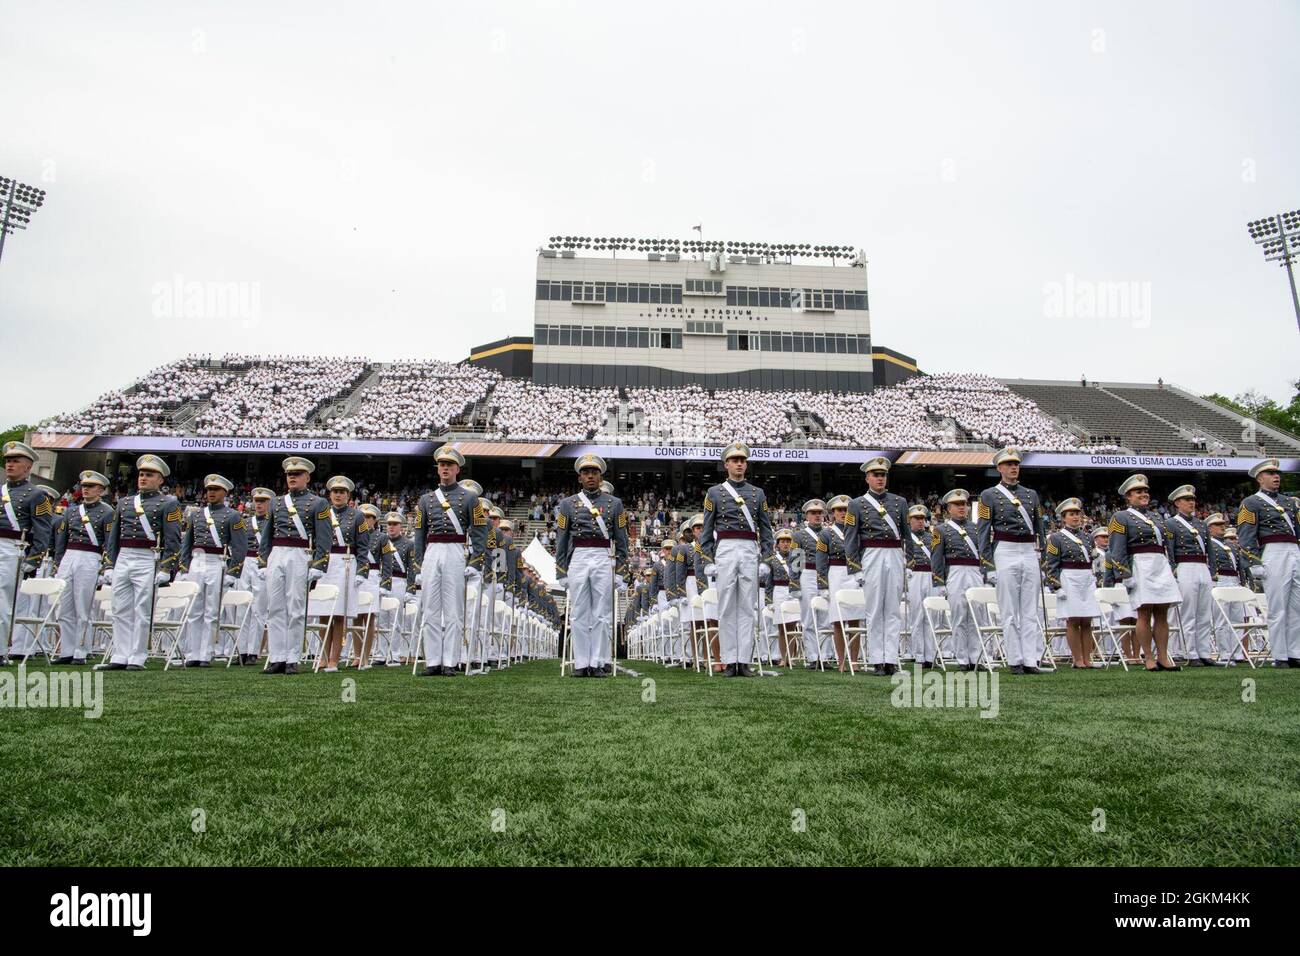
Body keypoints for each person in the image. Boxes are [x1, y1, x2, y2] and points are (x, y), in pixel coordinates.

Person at [97, 454, 181, 671]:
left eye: (149, 474)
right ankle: (119, 654)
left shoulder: (168, 503)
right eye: (142, 474)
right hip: (124, 556)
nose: (143, 478)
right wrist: (109, 564)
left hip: (147, 557)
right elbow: (113, 537)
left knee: (142, 608)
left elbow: (172, 538)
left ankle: (137, 655)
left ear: (160, 479)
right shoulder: (124, 502)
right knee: (119, 607)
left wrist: (166, 566)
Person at [698, 441, 774, 677]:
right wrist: (707, 559)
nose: (739, 464)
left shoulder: (757, 493)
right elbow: (707, 529)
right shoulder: (714, 493)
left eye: (743, 460)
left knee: (748, 607)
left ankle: (744, 660)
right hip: (726, 548)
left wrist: (767, 559)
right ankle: (730, 660)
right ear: (726, 465)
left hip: (750, 547)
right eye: (735, 460)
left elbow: (766, 529)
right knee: (727, 605)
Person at [411, 446, 487, 676]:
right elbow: (419, 534)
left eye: (449, 465)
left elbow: (479, 532)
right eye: (441, 465)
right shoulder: (426, 499)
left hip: (455, 549)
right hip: (432, 551)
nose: (445, 468)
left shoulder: (470, 498)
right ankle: (433, 660)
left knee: (453, 609)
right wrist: (418, 564)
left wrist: (475, 562)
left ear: (457, 469)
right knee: (430, 608)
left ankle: (450, 661)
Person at [554, 454, 629, 677]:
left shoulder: (614, 504)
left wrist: (621, 571)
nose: (590, 476)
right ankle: (581, 662)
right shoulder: (567, 504)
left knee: (602, 613)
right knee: (578, 612)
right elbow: (562, 538)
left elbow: (622, 539)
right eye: (586, 473)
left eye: (594, 473)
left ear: (600, 476)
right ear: (580, 477)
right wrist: (561, 570)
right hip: (578, 556)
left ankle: (597, 662)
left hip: (603, 556)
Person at [976, 447, 1047, 674]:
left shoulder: (1031, 494)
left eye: (1016, 463)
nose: (1013, 467)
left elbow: (1039, 528)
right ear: (999, 468)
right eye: (1008, 464)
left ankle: (1030, 659)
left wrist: (1041, 558)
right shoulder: (989, 495)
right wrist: (988, 565)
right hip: (1005, 550)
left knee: (1029, 609)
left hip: (1028, 549)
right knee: (1008, 609)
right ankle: (1014, 659)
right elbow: (984, 531)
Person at [1107, 474, 1182, 671]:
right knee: (1144, 612)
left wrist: (1171, 567)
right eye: (1138, 492)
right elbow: (1116, 548)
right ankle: (1148, 657)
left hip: (1159, 564)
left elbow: (1166, 544)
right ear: (1128, 497)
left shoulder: (1156, 516)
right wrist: (1125, 573)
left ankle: (1163, 657)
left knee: (1162, 613)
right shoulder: (1120, 517)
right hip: (1140, 565)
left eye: (1146, 491)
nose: (1144, 494)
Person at [261, 457, 328, 675]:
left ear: (307, 477)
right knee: (275, 607)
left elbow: (323, 537)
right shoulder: (276, 502)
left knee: (296, 607)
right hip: (277, 554)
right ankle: (277, 657)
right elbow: (267, 535)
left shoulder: (318, 503)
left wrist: (318, 564)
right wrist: (264, 560)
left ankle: (292, 658)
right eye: (290, 474)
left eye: (297, 474)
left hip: (299, 554)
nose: (292, 477)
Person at [846, 457, 909, 676]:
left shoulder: (900, 502)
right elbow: (851, 538)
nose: (880, 478)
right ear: (867, 478)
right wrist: (855, 568)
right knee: (874, 610)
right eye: (875, 475)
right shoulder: (856, 504)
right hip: (871, 555)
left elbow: (906, 535)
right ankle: (877, 660)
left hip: (894, 554)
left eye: (882, 475)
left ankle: (890, 658)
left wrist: (908, 561)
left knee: (892, 609)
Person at [1235, 458, 1299, 668]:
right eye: (1271, 473)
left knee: (1296, 606)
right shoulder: (1251, 503)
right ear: (1260, 478)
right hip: (1272, 552)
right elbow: (1246, 535)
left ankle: (1295, 652)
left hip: (1293, 550)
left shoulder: (1290, 502)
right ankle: (1280, 655)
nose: (1276, 476)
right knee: (1278, 605)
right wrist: (1253, 561)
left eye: (1277, 473)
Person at [177, 474, 247, 667]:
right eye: (209, 490)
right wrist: (184, 567)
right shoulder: (196, 515)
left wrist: (233, 571)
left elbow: (240, 546)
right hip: (197, 561)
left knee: (211, 610)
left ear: (225, 492)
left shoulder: (233, 515)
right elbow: (187, 543)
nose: (211, 493)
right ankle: (192, 653)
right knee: (194, 610)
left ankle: (206, 653)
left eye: (215, 490)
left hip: (217, 562)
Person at [50, 469, 113, 665]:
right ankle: (66, 650)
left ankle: (81, 650)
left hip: (90, 556)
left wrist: (106, 567)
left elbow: (109, 542)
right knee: (65, 607)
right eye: (84, 486)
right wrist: (59, 563)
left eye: (91, 486)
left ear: (101, 490)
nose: (86, 489)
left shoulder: (108, 512)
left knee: (84, 607)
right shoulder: (70, 511)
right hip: (69, 556)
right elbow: (61, 540)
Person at [0, 441, 53, 665]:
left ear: (28, 467)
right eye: (8, 461)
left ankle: (1, 649)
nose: (10, 465)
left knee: (2, 600)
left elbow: (43, 530)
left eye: (15, 461)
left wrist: (33, 558)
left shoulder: (36, 495)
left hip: (13, 549)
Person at [316, 475, 368, 672]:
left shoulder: (357, 516)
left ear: (348, 495)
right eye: (335, 492)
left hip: (346, 563)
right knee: (323, 611)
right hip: (325, 563)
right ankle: (322, 656)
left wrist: (362, 571)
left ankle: (333, 658)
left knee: (338, 613)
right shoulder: (323, 513)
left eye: (342, 492)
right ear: (330, 494)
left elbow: (363, 546)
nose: (338, 495)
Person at [1043, 498, 1101, 669]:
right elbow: (1051, 564)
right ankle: (1077, 659)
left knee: (1087, 621)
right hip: (1069, 578)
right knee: (1073, 621)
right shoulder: (1056, 538)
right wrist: (1056, 586)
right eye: (1071, 514)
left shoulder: (1088, 537)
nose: (1075, 517)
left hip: (1086, 578)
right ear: (1063, 518)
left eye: (1077, 514)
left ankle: (1087, 658)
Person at [930, 489, 983, 670]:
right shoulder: (941, 530)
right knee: (959, 616)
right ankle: (962, 659)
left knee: (977, 616)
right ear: (948, 509)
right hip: (955, 572)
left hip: (975, 571)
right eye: (957, 505)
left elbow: (984, 553)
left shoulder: (976, 528)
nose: (962, 508)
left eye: (964, 504)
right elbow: (936, 557)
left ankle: (976, 658)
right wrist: (939, 581)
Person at [1165, 484, 1214, 665]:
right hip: (1184, 566)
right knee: (1188, 613)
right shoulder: (1171, 523)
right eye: (1187, 500)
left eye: (1193, 499)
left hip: (1202, 566)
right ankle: (1190, 652)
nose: (1191, 503)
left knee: (1203, 612)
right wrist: (1173, 569)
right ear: (1177, 503)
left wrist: (1213, 571)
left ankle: (1204, 651)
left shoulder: (1201, 524)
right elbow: (1169, 548)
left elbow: (1209, 549)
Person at [816, 494, 857, 671]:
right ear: (833, 512)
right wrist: (823, 584)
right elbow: (821, 560)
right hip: (836, 574)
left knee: (855, 620)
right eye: (840, 510)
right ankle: (841, 661)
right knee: (838, 621)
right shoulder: (826, 533)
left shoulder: (856, 530)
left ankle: (854, 661)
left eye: (846, 510)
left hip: (854, 574)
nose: (843, 513)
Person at [234, 487, 273, 666]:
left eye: (263, 501)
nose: (259, 505)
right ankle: (240, 650)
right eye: (257, 501)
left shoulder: (272, 522)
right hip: (245, 562)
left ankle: (253, 651)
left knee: (259, 609)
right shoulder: (245, 522)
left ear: (270, 503)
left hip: (263, 563)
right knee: (242, 608)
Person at [1205, 512, 1251, 663]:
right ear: (1210, 528)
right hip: (1220, 581)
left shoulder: (1229, 545)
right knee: (1221, 620)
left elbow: (1239, 567)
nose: (1222, 527)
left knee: (1237, 619)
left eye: (1223, 524)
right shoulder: (1209, 544)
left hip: (1234, 581)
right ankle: (1225, 653)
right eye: (1218, 525)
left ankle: (1237, 653)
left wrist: (1242, 581)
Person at [794, 499, 830, 668]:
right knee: (808, 617)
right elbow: (795, 563)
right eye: (813, 513)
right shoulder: (799, 535)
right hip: (807, 573)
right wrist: (794, 584)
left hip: (824, 574)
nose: (817, 516)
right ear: (806, 516)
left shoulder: (828, 533)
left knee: (825, 616)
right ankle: (812, 656)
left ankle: (825, 656)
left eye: (819, 513)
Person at [377, 511, 414, 666]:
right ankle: (381, 653)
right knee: (381, 619)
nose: (391, 527)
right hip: (383, 581)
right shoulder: (382, 541)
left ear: (401, 526)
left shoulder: (408, 544)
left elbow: (412, 568)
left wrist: (410, 588)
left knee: (396, 620)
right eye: (389, 524)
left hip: (399, 581)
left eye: (394, 524)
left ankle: (395, 653)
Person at [763, 529, 802, 665]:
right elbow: (768, 582)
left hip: (793, 591)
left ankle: (793, 656)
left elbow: (800, 575)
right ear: (777, 544)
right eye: (783, 541)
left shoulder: (798, 556)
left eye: (788, 541)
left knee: (792, 626)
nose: (786, 544)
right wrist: (768, 600)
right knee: (781, 627)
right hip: (778, 591)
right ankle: (784, 657)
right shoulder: (772, 559)